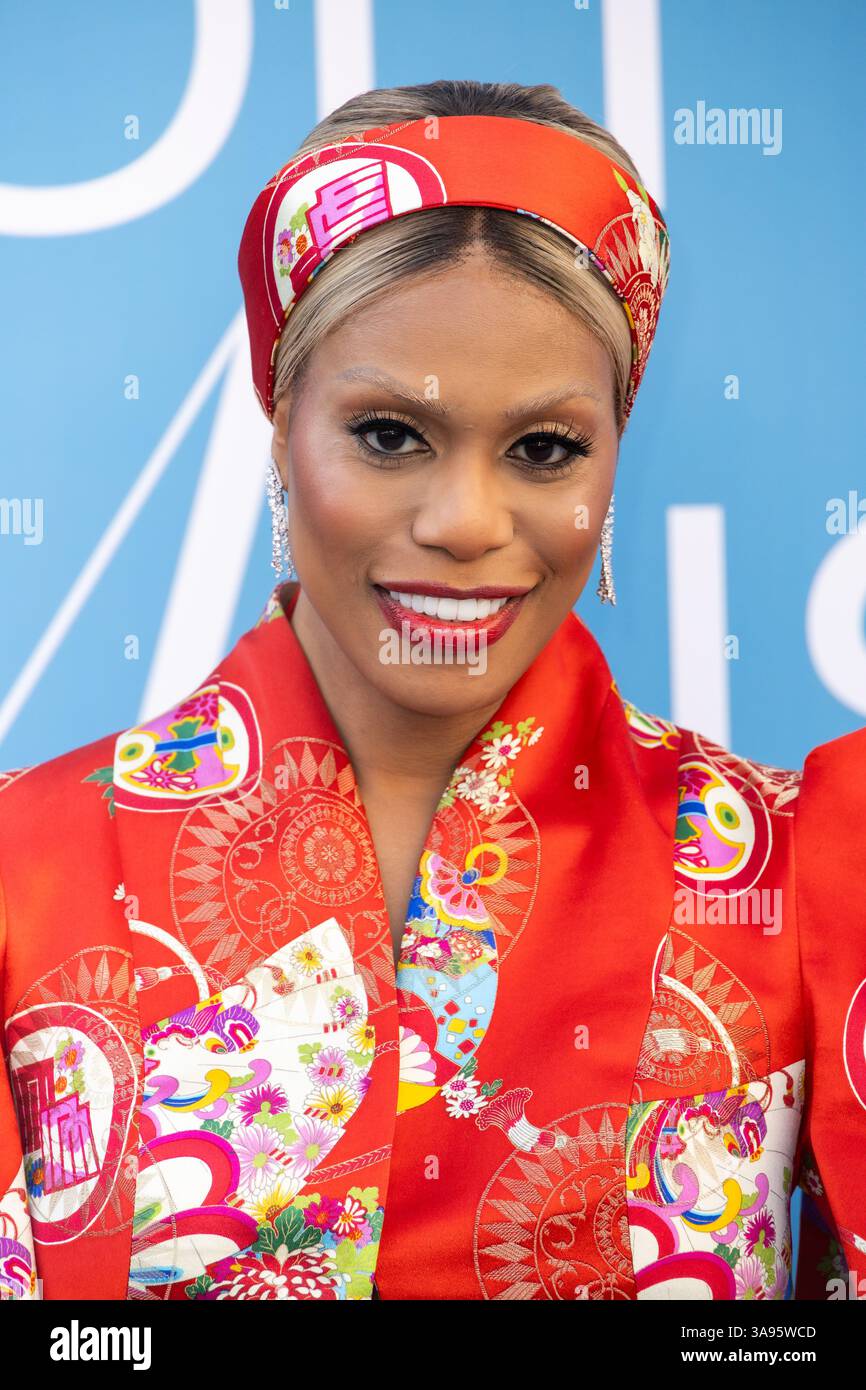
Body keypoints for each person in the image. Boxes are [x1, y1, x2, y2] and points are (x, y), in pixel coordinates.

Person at [0, 79, 863, 1303]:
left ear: (614, 453)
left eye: (543, 449)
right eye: (391, 434)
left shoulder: (806, 875)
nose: (465, 522)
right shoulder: (23, 871)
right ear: (281, 418)